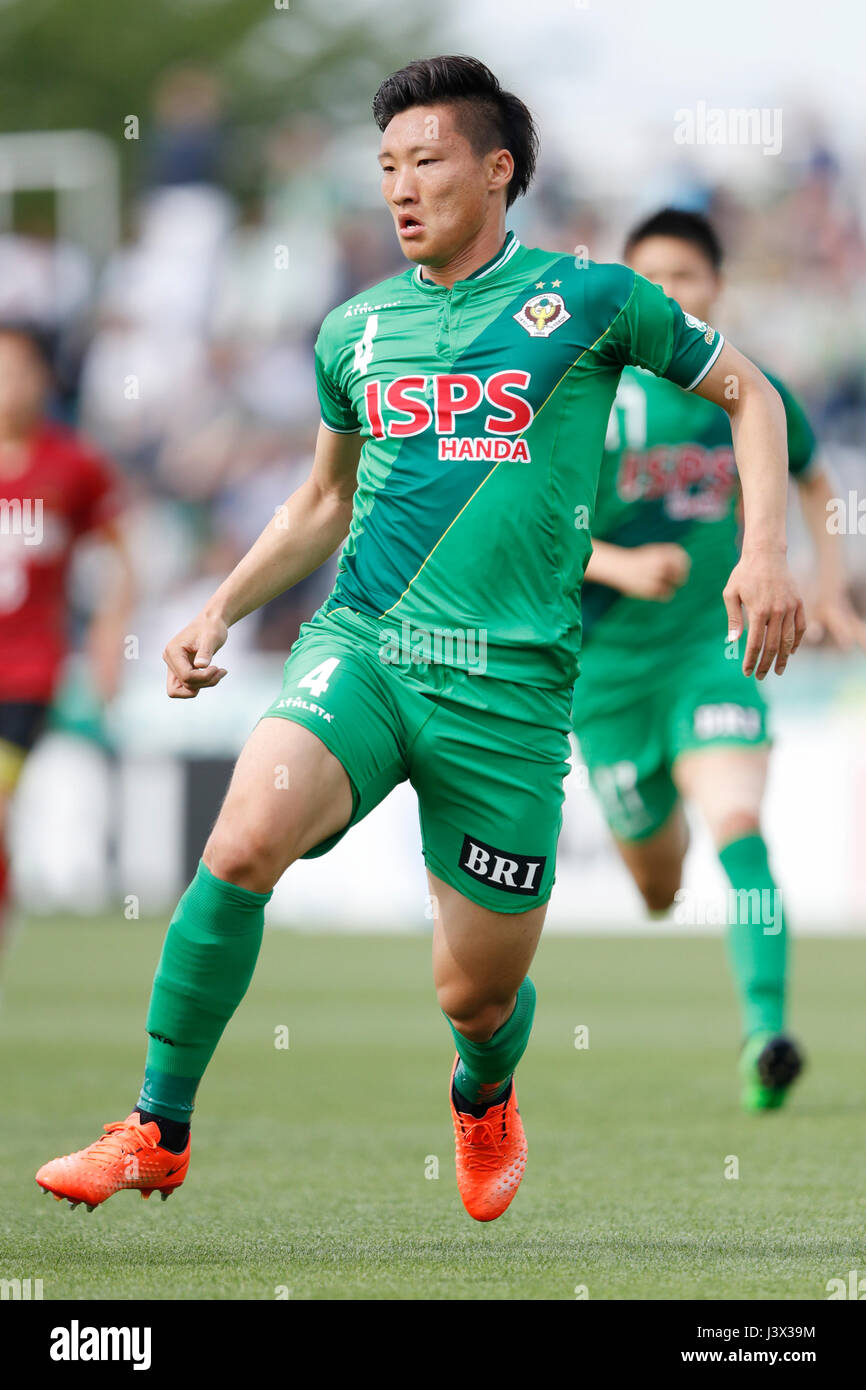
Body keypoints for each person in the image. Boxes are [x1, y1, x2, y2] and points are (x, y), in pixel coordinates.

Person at [36, 58, 804, 1223]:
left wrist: (764, 553)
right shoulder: (352, 328)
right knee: (241, 841)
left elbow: (749, 394)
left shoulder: (592, 300)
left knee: (475, 992)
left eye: (425, 161)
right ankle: (157, 1126)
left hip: (512, 695)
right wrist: (217, 608)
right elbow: (318, 504)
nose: (399, 188)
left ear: (496, 171)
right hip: (368, 648)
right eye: (386, 166)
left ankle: (483, 1087)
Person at [573, 207, 865, 1110]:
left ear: (716, 290)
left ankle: (765, 1035)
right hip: (606, 679)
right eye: (648, 277)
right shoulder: (586, 397)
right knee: (658, 883)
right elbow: (535, 532)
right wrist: (621, 563)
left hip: (714, 653)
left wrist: (827, 584)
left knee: (740, 824)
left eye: (685, 277)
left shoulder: (744, 392)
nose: (667, 292)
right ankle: (668, 832)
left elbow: (813, 476)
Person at [0, 324, 131, 955]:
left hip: (26, 671)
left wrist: (110, 640)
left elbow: (120, 559)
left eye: (19, 370)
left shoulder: (72, 465)